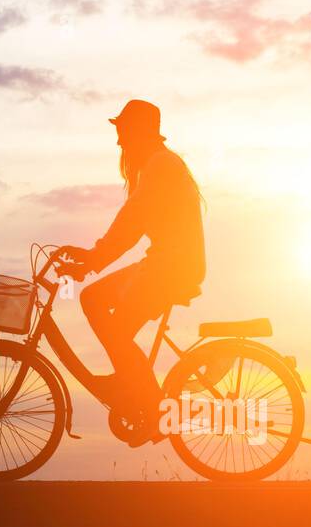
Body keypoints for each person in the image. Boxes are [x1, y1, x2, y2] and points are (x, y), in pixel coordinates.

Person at [58, 100, 206, 416]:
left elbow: (131, 221)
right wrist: (91, 260)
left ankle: (153, 407)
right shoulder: (156, 166)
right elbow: (132, 224)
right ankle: (132, 385)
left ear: (138, 131)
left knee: (117, 330)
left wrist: (93, 258)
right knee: (93, 298)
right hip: (163, 264)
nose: (119, 141)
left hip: (171, 268)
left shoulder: (161, 165)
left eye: (123, 131)